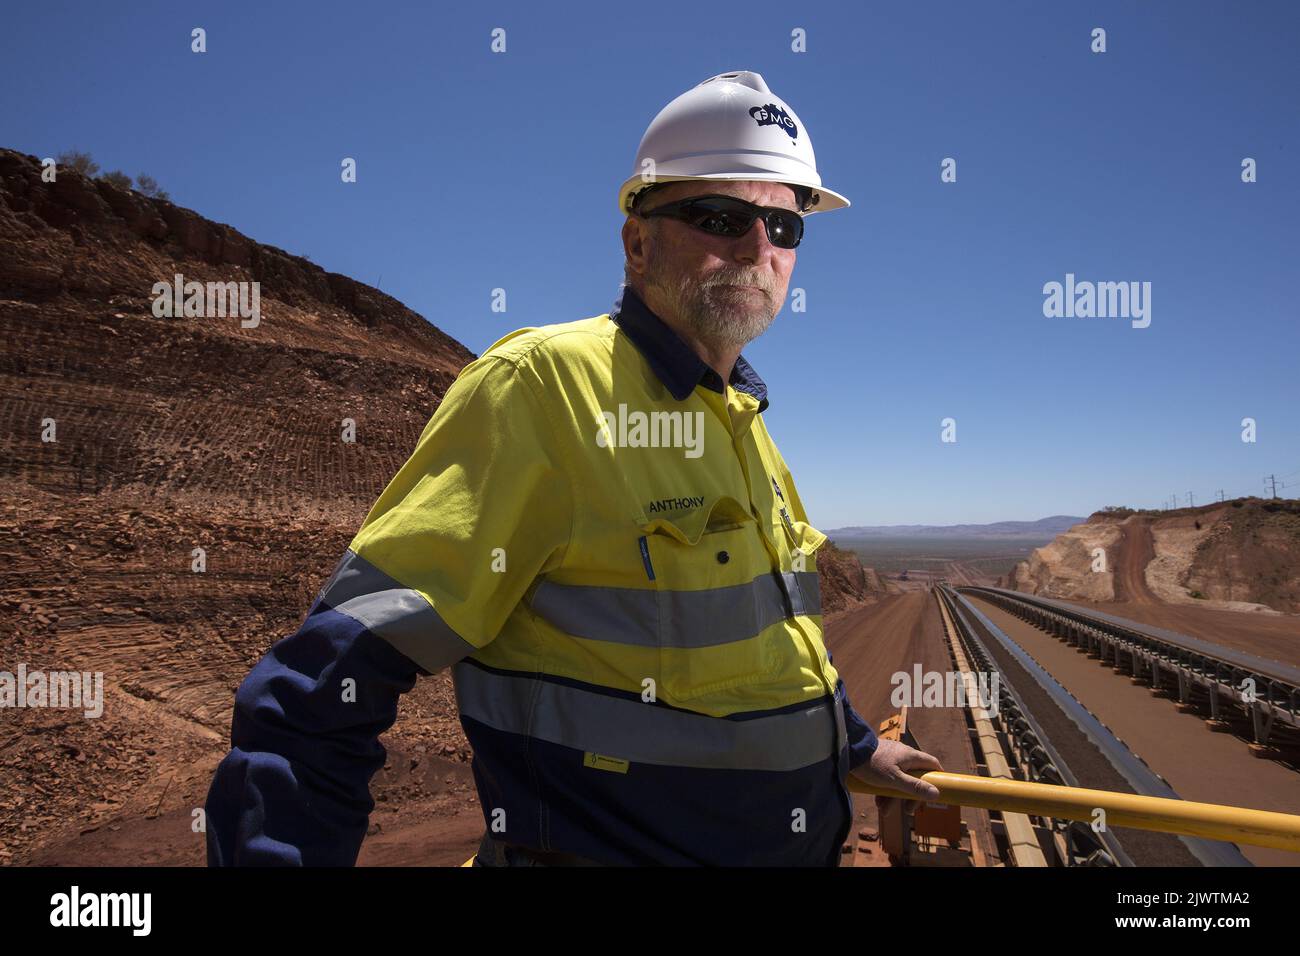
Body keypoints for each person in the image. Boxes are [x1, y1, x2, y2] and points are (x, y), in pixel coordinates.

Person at [204, 69, 940, 868]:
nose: (758, 248)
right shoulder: (542, 389)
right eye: (721, 215)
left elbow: (774, 648)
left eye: (785, 226)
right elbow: (325, 689)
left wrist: (856, 747)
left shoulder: (743, 424)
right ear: (637, 240)